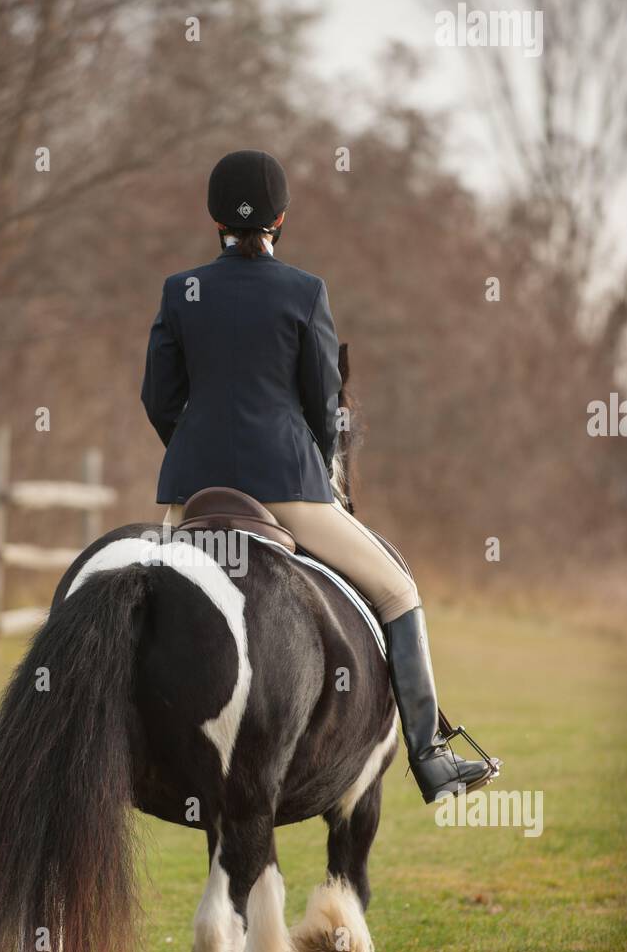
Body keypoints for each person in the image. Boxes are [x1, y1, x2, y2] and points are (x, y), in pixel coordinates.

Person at [141, 149, 499, 803]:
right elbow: (322, 401)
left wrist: (198, 452)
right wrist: (297, 457)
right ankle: (430, 758)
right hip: (285, 487)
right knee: (396, 592)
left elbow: (157, 398)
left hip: (191, 492)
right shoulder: (303, 291)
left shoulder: (179, 290)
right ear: (279, 217)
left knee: (136, 598)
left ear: (213, 216)